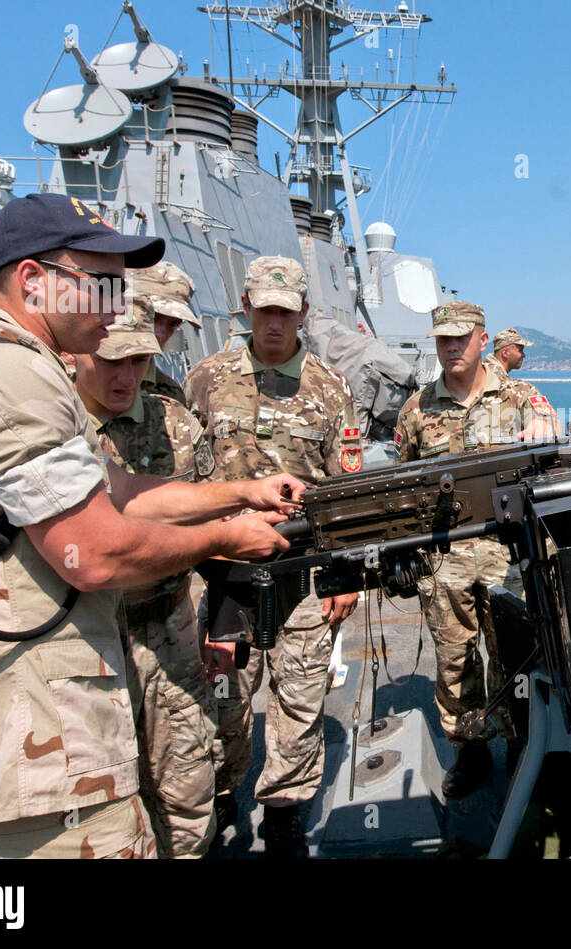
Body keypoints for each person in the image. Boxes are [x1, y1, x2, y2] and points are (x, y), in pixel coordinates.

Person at [0, 193, 302, 859]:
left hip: (25, 725)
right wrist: (228, 537)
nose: (119, 305)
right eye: (104, 282)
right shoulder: (12, 374)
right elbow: (97, 551)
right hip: (36, 737)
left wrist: (239, 491)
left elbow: (113, 492)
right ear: (32, 281)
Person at [184, 255, 361, 858]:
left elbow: (346, 491)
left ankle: (284, 812)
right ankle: (222, 791)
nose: (275, 323)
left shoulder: (331, 388)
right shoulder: (206, 379)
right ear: (246, 309)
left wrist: (345, 574)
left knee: (300, 692)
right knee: (224, 693)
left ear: (303, 312)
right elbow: (180, 479)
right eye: (265, 310)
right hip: (224, 571)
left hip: (305, 572)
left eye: (286, 311)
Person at [72, 296, 220, 858]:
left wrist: (219, 621)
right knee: (99, 797)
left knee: (188, 781)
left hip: (168, 630)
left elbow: (213, 524)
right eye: (112, 360)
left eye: (139, 360)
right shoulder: (52, 430)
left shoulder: (176, 426)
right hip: (85, 642)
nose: (127, 376)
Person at [393, 302, 555, 798]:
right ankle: (472, 750)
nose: (452, 347)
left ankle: (524, 747)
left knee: (516, 657)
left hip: (510, 556)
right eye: (443, 339)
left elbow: (550, 441)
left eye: (461, 338)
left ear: (483, 340)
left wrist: (544, 433)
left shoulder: (522, 396)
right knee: (455, 661)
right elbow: (401, 484)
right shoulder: (417, 409)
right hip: (446, 561)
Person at [129, 260, 202, 403]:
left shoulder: (170, 394)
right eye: (152, 317)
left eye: (173, 324)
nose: (160, 334)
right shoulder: (76, 380)